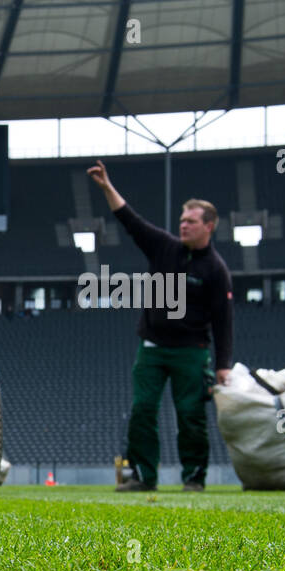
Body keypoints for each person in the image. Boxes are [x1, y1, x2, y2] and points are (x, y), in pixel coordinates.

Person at [87, 159, 234, 493]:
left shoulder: (216, 269)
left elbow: (224, 322)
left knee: (190, 417)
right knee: (142, 411)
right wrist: (107, 186)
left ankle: (194, 478)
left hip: (191, 353)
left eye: (191, 222)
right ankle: (142, 476)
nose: (183, 226)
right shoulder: (163, 246)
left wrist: (223, 365)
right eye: (182, 220)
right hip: (151, 347)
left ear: (208, 226)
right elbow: (129, 218)